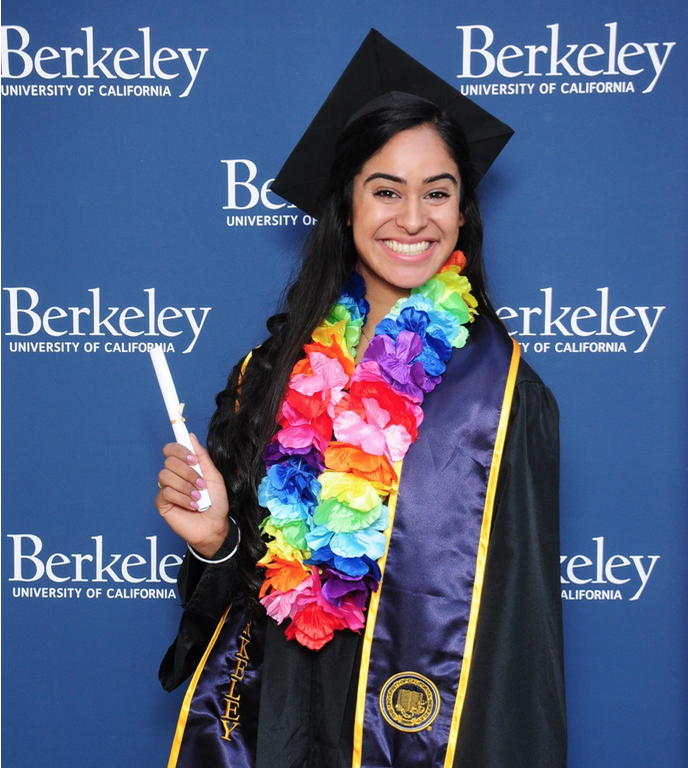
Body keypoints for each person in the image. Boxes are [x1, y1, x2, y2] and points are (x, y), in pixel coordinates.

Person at [155, 30, 566, 768]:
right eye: (385, 190)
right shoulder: (268, 376)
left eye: (437, 192)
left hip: (416, 731)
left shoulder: (502, 402)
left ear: (462, 212)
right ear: (346, 205)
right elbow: (246, 586)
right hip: (279, 718)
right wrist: (217, 542)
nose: (412, 218)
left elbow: (518, 644)